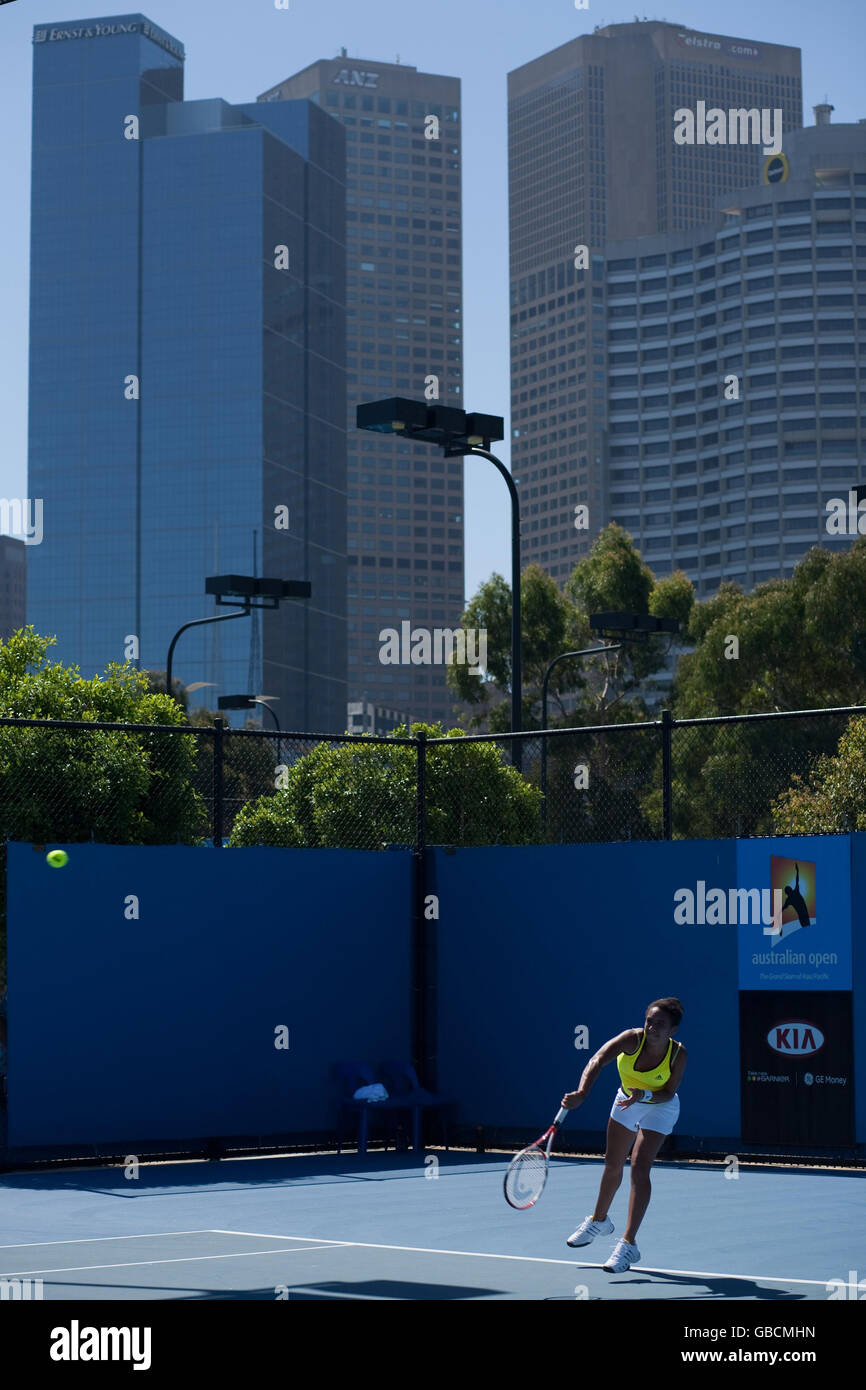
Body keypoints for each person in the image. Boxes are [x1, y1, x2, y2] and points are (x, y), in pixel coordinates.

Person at [560, 997, 687, 1273]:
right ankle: (599, 1220)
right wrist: (583, 1092)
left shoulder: (678, 1054)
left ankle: (628, 1245)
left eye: (660, 1024)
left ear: (672, 1030)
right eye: (649, 1021)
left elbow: (668, 1092)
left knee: (639, 1169)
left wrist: (646, 1094)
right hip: (626, 1100)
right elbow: (598, 1059)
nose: (652, 1027)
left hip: (659, 1107)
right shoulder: (631, 1040)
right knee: (612, 1163)